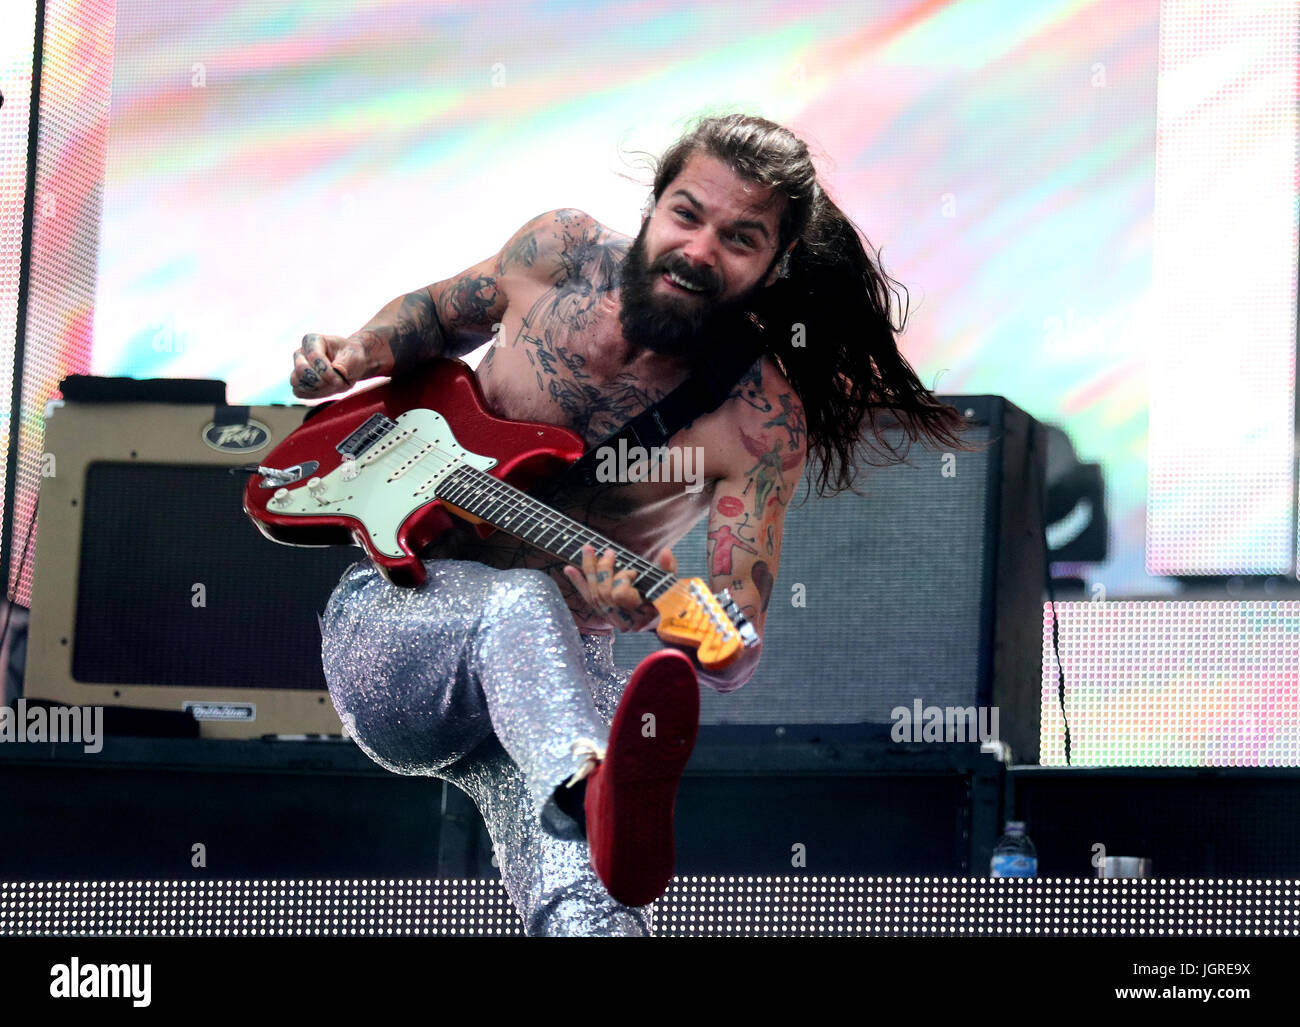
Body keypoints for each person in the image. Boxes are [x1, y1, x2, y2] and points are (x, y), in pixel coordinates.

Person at [290, 113, 972, 936]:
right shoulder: (558, 252)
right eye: (688, 214)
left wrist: (651, 609)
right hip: (396, 626)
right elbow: (437, 317)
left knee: (598, 910)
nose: (699, 249)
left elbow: (737, 636)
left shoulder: (757, 422)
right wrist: (353, 353)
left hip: (558, 686)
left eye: (740, 238)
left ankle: (588, 805)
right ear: (654, 204)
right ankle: (588, 783)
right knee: (518, 603)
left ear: (776, 263)